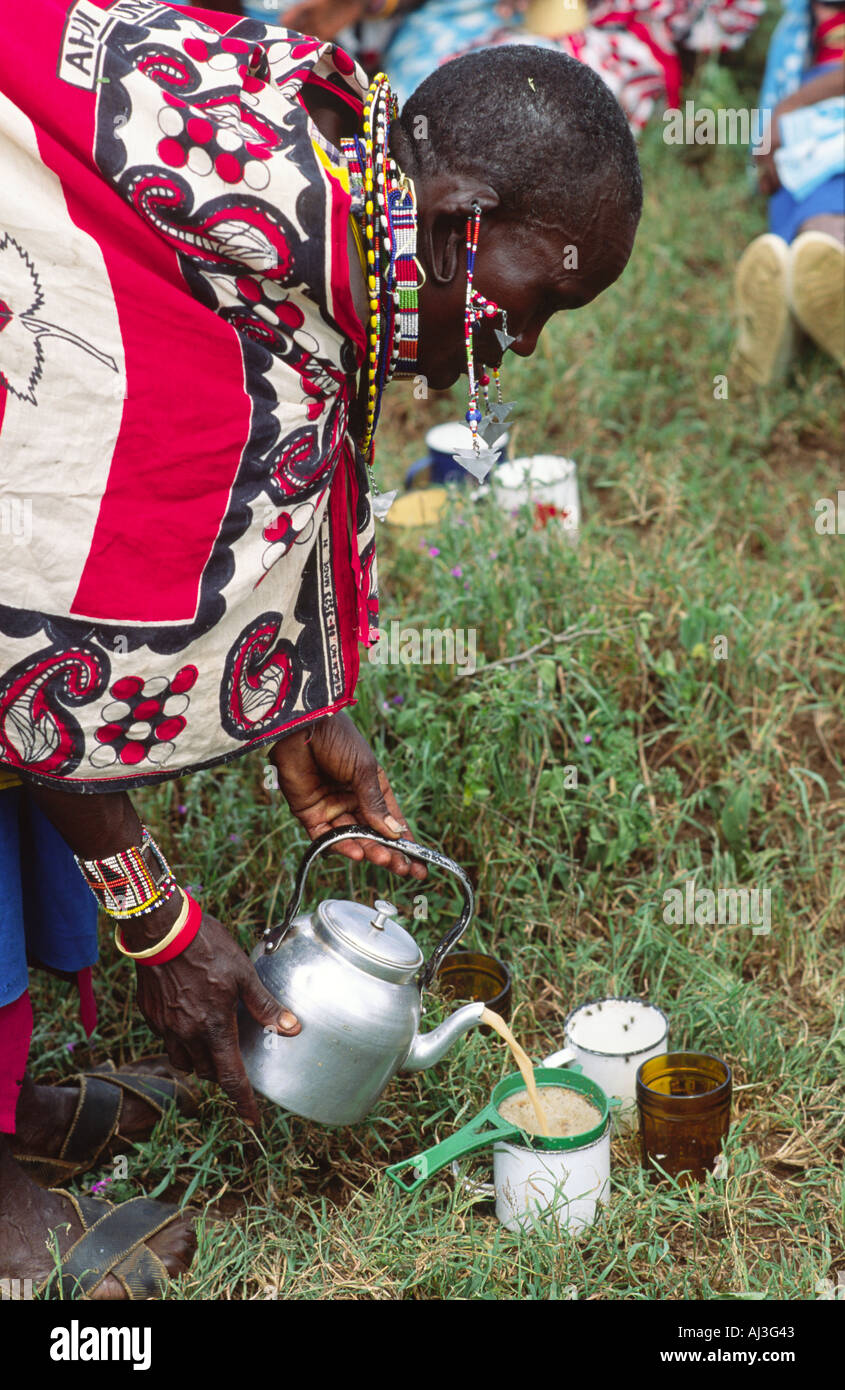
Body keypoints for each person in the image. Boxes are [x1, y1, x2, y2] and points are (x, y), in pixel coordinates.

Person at [0, 0, 641, 1297]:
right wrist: (158, 916)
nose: (525, 345)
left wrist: (304, 713)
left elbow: (254, 438)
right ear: (462, 216)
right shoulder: (221, 211)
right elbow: (24, 608)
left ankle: (8, 1091)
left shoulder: (327, 191)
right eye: (541, 295)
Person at [263, 0, 765, 128]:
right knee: (409, 98)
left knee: (537, 85)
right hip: (467, 19)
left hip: (601, 30)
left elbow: (721, 24)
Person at [733, 0, 845, 385]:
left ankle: (791, 315)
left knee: (822, 223)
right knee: (802, 241)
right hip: (803, 146)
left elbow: (782, 105)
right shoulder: (793, 32)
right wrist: (768, 151)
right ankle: (791, 307)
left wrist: (789, 107)